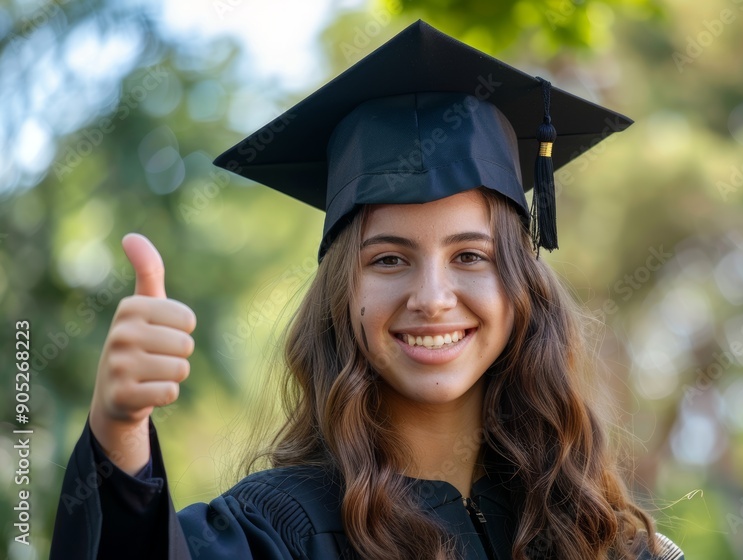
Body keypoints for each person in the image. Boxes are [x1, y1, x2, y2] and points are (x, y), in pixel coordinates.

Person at [52, 20, 684, 559]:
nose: (432, 296)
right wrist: (120, 429)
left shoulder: (592, 534)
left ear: (521, 284)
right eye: (388, 260)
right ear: (341, 294)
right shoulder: (276, 533)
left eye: (470, 255)